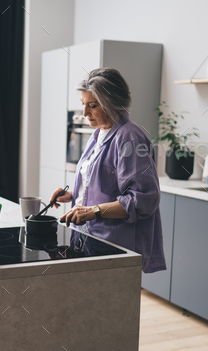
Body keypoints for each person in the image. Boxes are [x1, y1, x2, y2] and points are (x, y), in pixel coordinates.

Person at [49, 68, 166, 273]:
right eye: (83, 105)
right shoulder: (98, 134)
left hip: (114, 246)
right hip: (88, 239)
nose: (85, 113)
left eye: (92, 106)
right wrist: (74, 196)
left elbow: (144, 200)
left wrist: (93, 211)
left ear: (112, 103)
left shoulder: (129, 138)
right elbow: (104, 188)